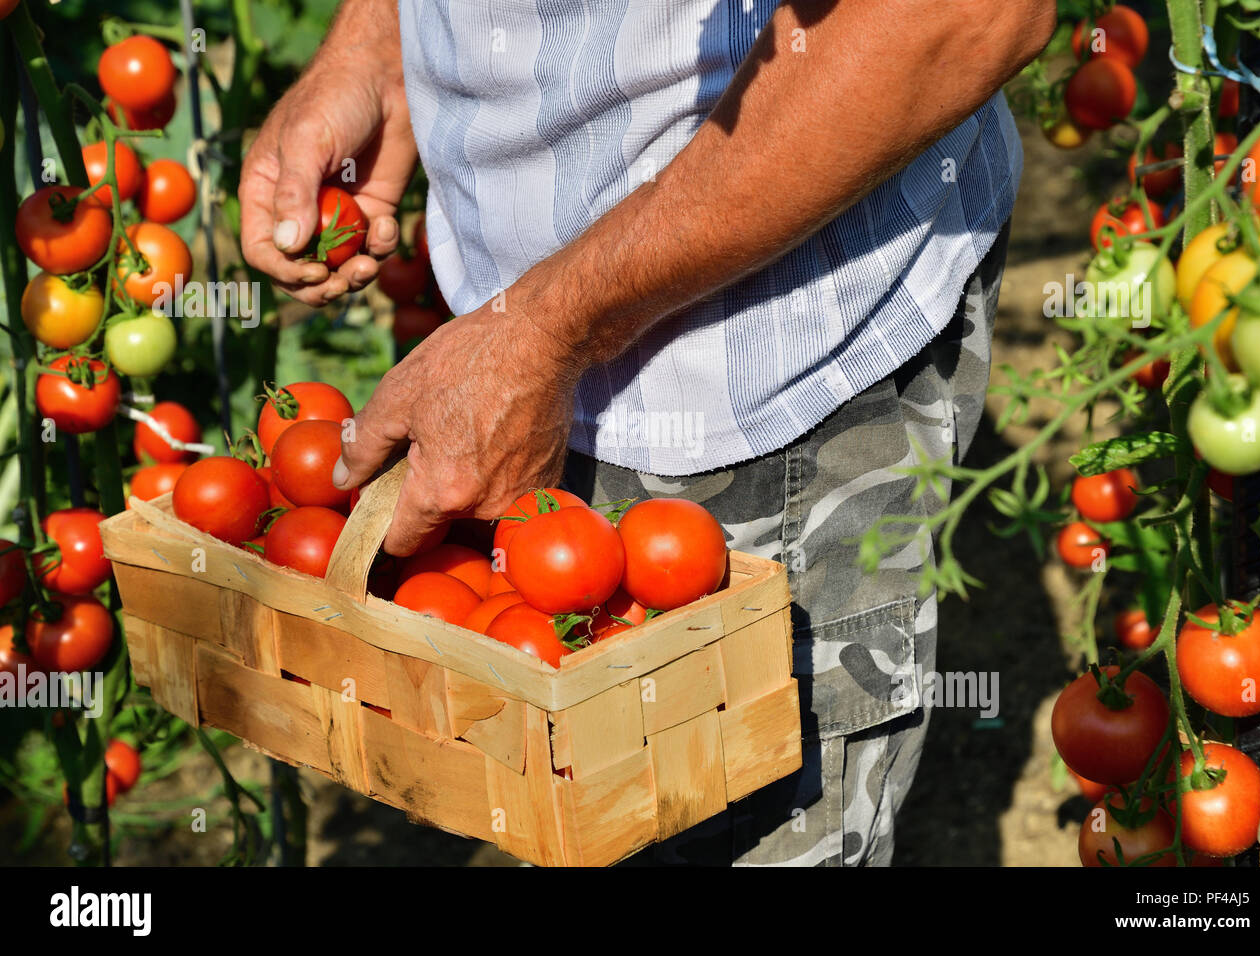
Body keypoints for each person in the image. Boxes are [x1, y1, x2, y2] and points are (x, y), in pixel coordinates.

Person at [240, 0, 1056, 866]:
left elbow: (961, 16)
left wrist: (543, 332)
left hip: (760, 362)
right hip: (513, 343)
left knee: (742, 825)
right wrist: (376, 45)